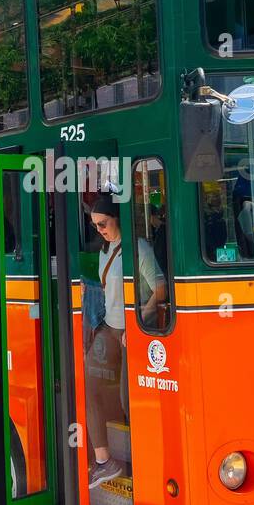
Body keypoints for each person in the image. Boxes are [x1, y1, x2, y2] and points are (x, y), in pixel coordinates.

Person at [83, 194, 166, 490]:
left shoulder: (137, 248)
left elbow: (160, 288)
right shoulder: (106, 251)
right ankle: (105, 461)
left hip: (133, 333)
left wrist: (138, 320)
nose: (100, 230)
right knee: (88, 388)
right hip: (112, 330)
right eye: (95, 226)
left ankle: (144, 465)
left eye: (103, 223)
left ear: (117, 218)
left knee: (127, 401)